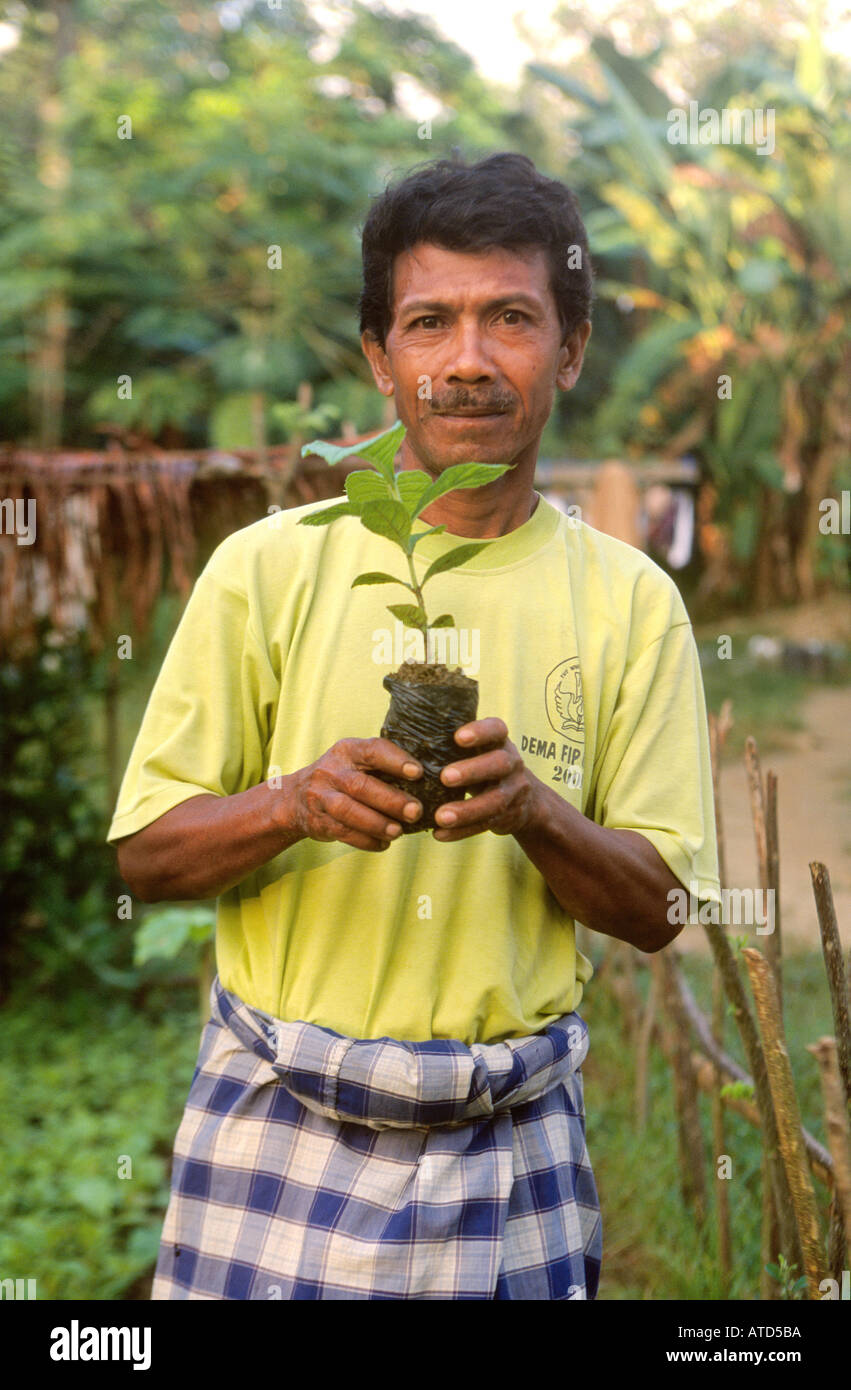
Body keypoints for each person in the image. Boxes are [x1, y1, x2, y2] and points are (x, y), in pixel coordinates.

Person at [107, 152, 722, 1301]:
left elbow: (662, 907)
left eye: (511, 319)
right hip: (275, 1117)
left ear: (571, 350)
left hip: (510, 1133)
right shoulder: (268, 569)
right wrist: (296, 802)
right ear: (379, 365)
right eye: (428, 323)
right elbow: (145, 852)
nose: (468, 361)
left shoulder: (631, 602)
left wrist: (532, 810)